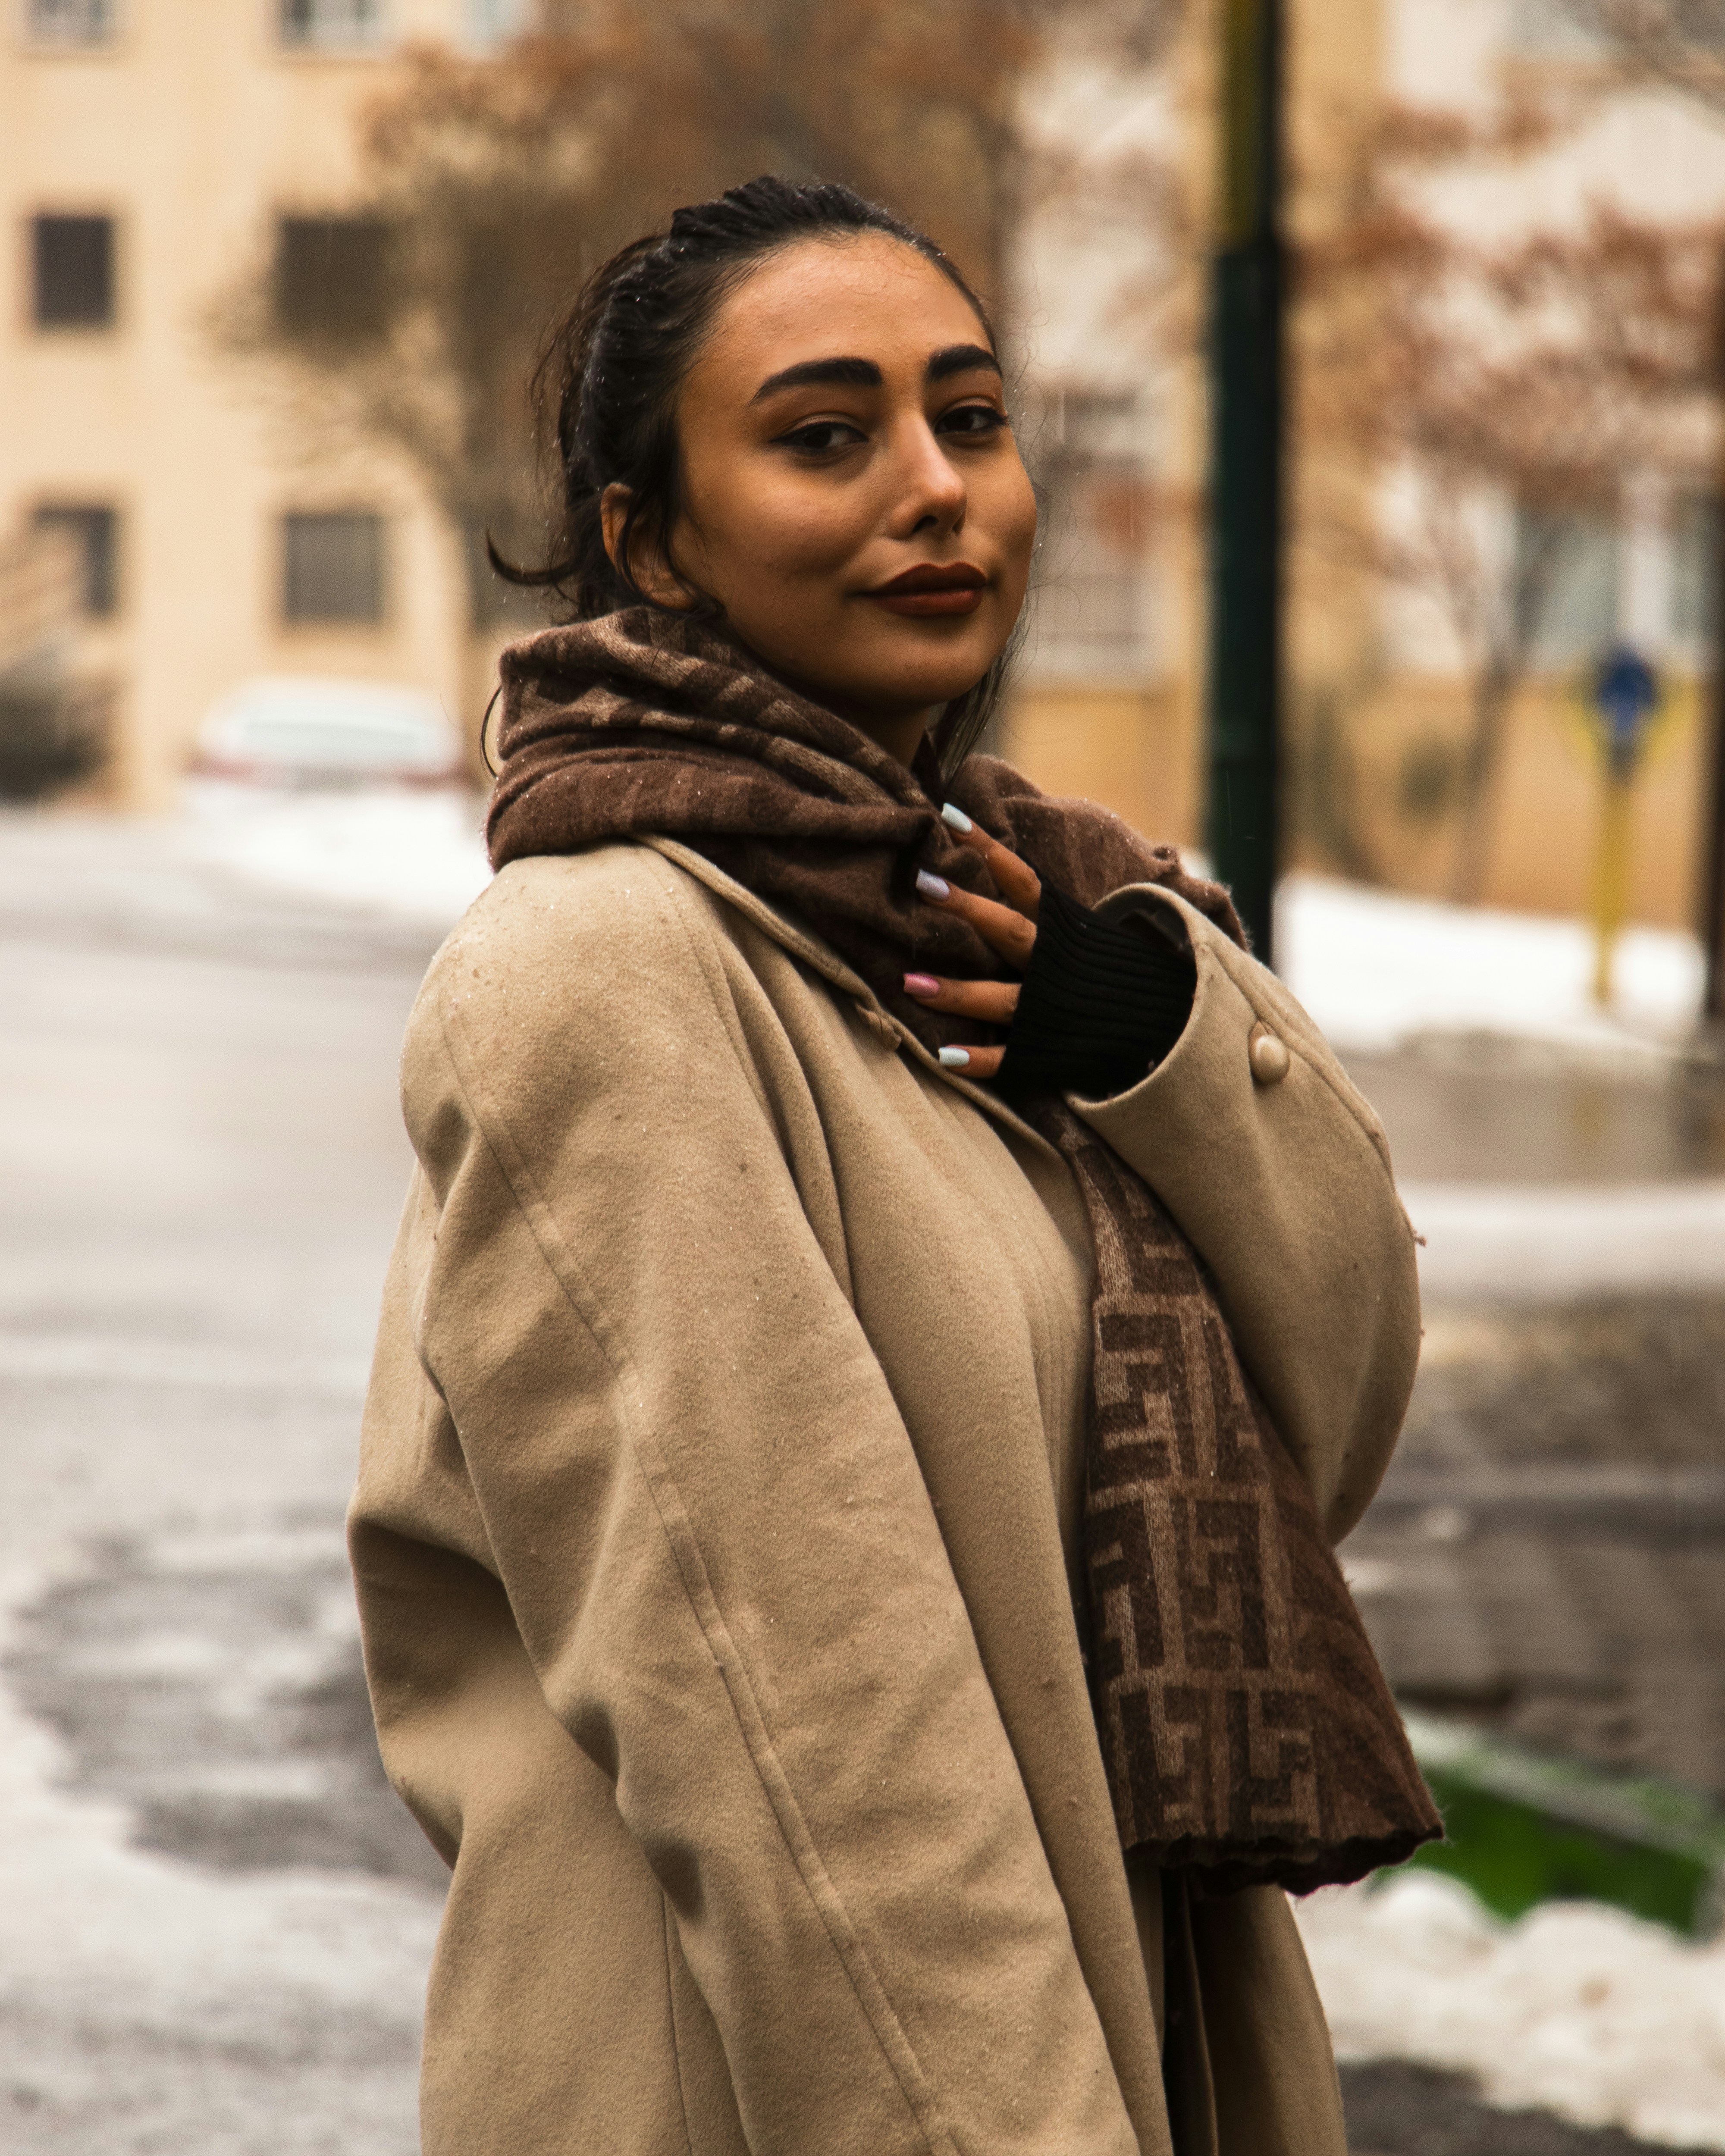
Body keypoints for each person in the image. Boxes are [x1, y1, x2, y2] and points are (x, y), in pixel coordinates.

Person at [350, 175, 1438, 2156]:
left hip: (1129, 2027)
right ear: (649, 539)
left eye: (973, 416)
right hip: (785, 2086)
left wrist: (1144, 1046)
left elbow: (1328, 1425)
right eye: (824, 436)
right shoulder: (604, 974)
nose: (935, 487)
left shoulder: (1018, 934)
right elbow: (796, 1717)